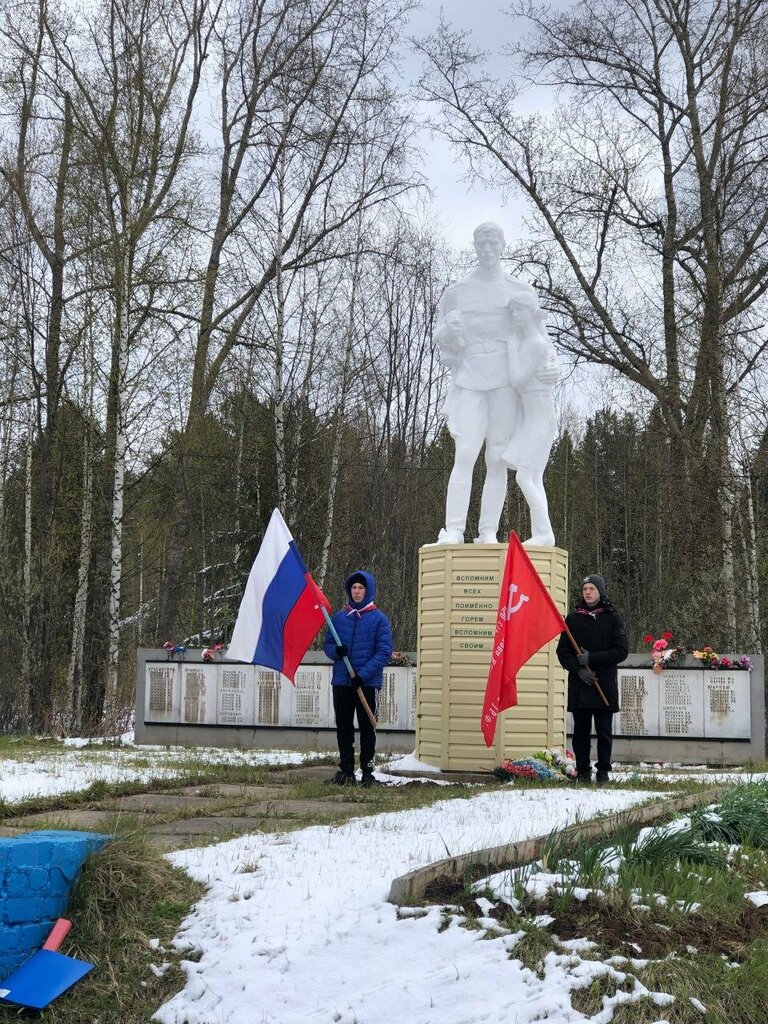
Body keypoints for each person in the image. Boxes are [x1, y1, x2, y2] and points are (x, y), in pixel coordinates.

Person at [434, 222, 559, 546]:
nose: (487, 249)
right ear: (475, 247)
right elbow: (440, 335)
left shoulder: (518, 290)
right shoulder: (457, 291)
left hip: (506, 381)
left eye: (493, 243)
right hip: (470, 379)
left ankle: (487, 531)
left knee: (497, 457)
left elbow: (541, 335)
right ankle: (454, 530)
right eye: (482, 243)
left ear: (502, 246)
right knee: (465, 453)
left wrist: (553, 367)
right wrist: (450, 330)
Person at [556, 574, 628, 785]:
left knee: (604, 732)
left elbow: (621, 651)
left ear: (600, 591)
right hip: (581, 684)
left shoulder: (612, 617)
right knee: (580, 732)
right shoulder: (573, 618)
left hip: (603, 683)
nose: (587, 592)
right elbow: (563, 651)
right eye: (585, 588)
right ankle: (583, 771)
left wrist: (592, 658)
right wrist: (578, 669)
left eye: (592, 589)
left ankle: (603, 771)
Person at [324, 570, 393, 787]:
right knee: (344, 726)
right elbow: (328, 645)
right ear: (349, 590)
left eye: (360, 588)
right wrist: (337, 652)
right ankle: (346, 771)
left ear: (368, 590)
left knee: (366, 728)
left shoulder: (379, 619)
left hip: (366, 684)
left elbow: (383, 652)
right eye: (353, 588)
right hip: (342, 682)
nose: (356, 591)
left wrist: (362, 676)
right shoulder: (338, 618)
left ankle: (368, 773)